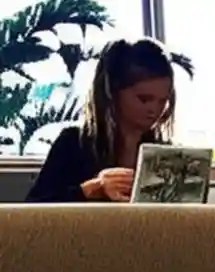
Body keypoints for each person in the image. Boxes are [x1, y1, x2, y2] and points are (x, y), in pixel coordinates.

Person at [26, 38, 180, 203]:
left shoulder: (165, 153)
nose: (154, 109)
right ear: (112, 92)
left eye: (163, 101)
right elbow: (33, 212)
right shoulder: (73, 143)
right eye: (144, 99)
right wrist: (91, 189)